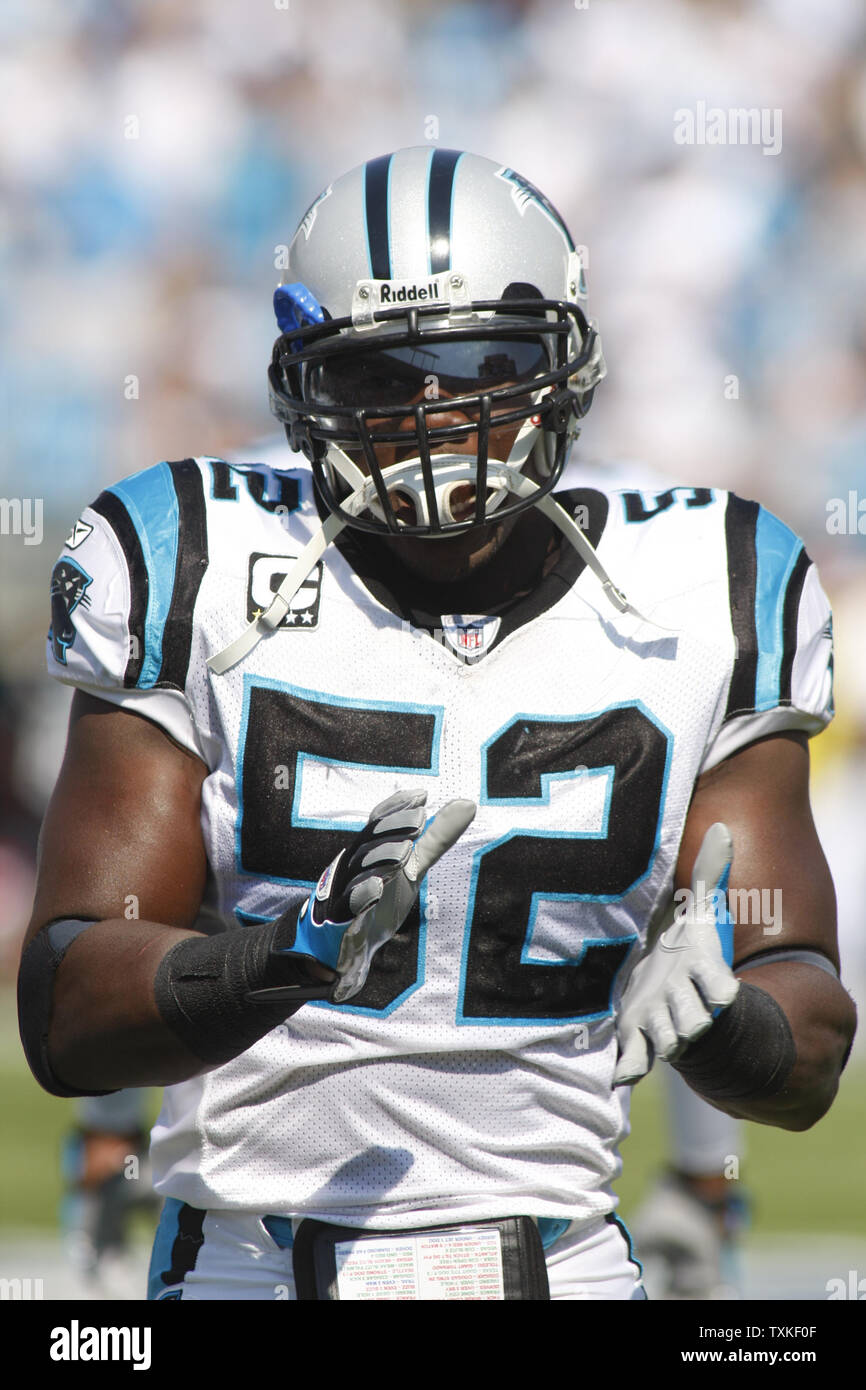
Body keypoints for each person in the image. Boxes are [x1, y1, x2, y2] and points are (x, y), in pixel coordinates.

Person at [18, 147, 855, 1301]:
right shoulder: (193, 560)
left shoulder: (707, 580)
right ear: (304, 386)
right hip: (246, 1265)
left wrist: (723, 1026)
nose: (437, 415)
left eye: (482, 367)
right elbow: (67, 1006)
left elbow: (804, 1043)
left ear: (562, 365)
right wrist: (281, 956)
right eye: (382, 379)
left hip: (564, 1263)